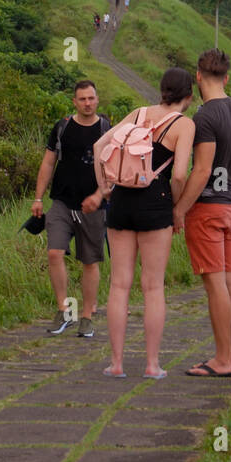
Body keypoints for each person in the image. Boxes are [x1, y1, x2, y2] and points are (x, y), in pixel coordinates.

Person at [87, 68, 195, 378]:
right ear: (188, 96)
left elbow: (98, 147)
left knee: (119, 285)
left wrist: (105, 189)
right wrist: (176, 207)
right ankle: (152, 364)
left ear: (161, 90)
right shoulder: (184, 125)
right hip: (155, 203)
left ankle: (117, 363)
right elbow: (178, 175)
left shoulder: (138, 113)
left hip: (120, 201)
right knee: (152, 286)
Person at [173, 49, 231, 376]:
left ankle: (222, 360)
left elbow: (202, 170)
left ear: (198, 76)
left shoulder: (204, 117)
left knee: (215, 285)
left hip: (208, 207)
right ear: (227, 77)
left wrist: (180, 208)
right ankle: (229, 355)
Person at [32, 80, 111, 337]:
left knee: (90, 261)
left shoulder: (106, 128)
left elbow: (115, 169)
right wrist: (38, 198)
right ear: (74, 102)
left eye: (91, 98)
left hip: (92, 206)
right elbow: (47, 163)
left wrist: (100, 196)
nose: (87, 103)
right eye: (82, 99)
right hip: (62, 202)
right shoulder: (62, 127)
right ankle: (64, 309)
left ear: (97, 100)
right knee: (55, 252)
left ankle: (87, 315)